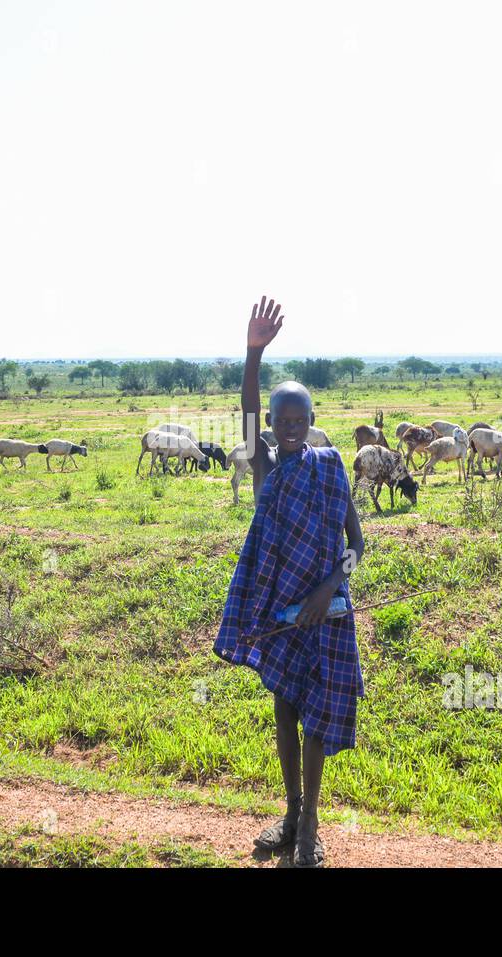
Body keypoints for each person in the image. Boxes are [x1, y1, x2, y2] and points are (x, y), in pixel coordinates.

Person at [213, 295, 366, 868]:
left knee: (318, 717)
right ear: (272, 428)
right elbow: (247, 415)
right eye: (284, 421)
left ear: (312, 421)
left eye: (303, 419)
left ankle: (310, 827)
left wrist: (330, 586)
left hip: (323, 615)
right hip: (280, 615)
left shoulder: (331, 469)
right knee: (283, 708)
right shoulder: (265, 467)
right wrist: (253, 355)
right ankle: (291, 809)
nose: (294, 427)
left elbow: (358, 547)